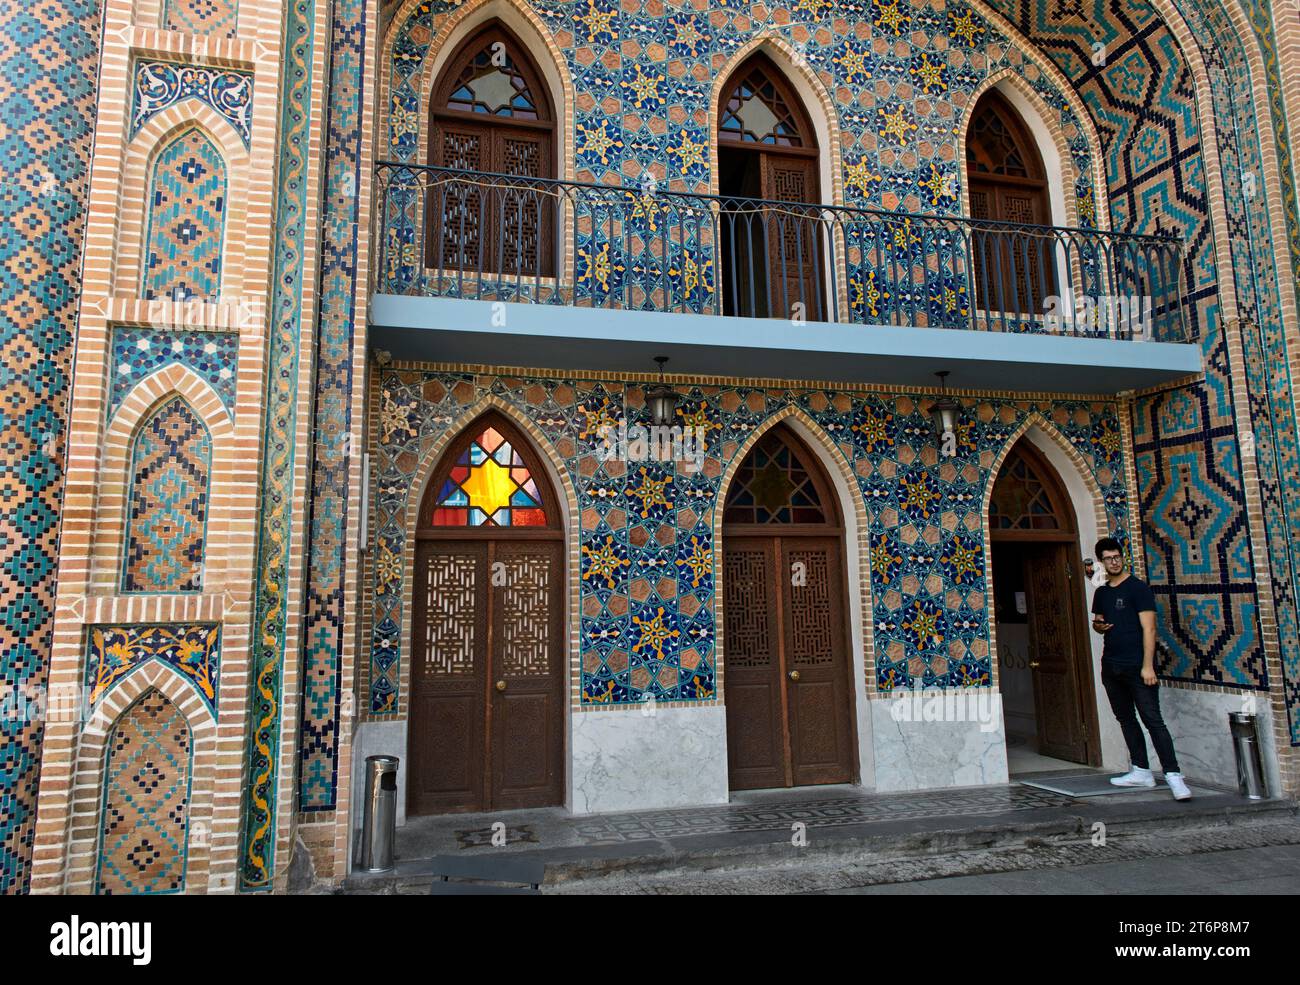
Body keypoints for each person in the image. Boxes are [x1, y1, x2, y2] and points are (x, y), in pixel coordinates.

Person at [1090, 537, 1191, 801]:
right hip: (1112, 665)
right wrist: (1098, 627)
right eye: (1108, 558)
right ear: (1101, 562)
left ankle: (1173, 775)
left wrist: (1148, 666)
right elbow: (1098, 622)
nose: (1114, 562)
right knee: (1126, 718)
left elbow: (1149, 628)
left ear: (1123, 558)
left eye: (1117, 557)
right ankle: (1141, 770)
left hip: (1138, 666)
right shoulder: (1102, 592)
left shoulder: (1138, 589)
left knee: (1153, 720)